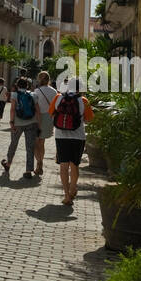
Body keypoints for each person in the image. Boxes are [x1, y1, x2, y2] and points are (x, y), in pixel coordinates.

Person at [49, 76, 94, 205]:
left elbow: (51, 114)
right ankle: (73, 188)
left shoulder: (58, 98)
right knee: (74, 165)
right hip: (78, 136)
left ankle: (67, 195)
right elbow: (89, 118)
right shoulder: (83, 100)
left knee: (63, 166)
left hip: (61, 136)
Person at [1, 77, 40, 179]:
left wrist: (11, 122)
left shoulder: (14, 94)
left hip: (18, 123)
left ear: (17, 85)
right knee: (30, 147)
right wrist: (39, 125)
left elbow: (12, 109)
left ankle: (8, 164)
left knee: (13, 144)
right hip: (32, 123)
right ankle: (28, 170)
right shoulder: (33, 95)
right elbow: (37, 110)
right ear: (27, 86)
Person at [33, 70, 55, 176]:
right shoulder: (54, 91)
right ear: (49, 80)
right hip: (48, 119)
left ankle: (38, 162)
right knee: (42, 143)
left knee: (35, 143)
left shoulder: (36, 91)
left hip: (37, 118)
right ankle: (40, 162)